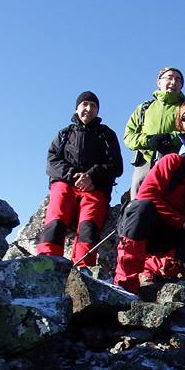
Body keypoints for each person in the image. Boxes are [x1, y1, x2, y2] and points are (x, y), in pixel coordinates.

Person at [113, 127, 185, 292]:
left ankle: (156, 267)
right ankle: (126, 283)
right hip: (148, 228)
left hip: (176, 238)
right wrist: (184, 222)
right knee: (142, 208)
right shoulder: (174, 163)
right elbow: (146, 194)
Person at [36, 91, 123, 267]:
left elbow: (116, 166)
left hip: (95, 186)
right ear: (77, 108)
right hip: (65, 183)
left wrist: (91, 176)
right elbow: (52, 162)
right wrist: (73, 175)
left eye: (93, 106)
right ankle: (47, 261)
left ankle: (83, 267)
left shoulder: (107, 135)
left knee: (89, 221)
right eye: (85, 104)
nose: (88, 109)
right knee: (57, 211)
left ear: (98, 111)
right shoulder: (64, 134)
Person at [124, 67, 185, 198]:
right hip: (145, 161)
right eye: (169, 77)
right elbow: (128, 137)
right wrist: (149, 141)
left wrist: (170, 138)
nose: (173, 82)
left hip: (174, 162)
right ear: (159, 82)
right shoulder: (144, 108)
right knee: (138, 198)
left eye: (178, 79)